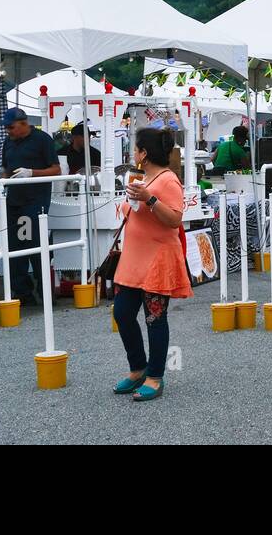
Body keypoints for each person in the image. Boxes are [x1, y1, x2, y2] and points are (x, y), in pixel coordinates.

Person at [111, 128, 193, 402]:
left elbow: (174, 219)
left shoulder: (168, 180)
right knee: (122, 313)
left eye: (135, 149)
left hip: (157, 258)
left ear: (144, 153)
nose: (133, 153)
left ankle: (155, 376)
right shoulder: (141, 176)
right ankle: (138, 368)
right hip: (134, 258)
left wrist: (149, 199)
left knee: (154, 318)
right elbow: (134, 210)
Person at [0, 107, 61, 305]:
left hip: (35, 201)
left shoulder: (42, 139)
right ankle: (22, 293)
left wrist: (32, 173)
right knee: (15, 247)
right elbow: (5, 168)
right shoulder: (8, 142)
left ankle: (45, 293)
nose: (8, 131)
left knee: (36, 245)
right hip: (14, 202)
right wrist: (1, 183)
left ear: (24, 123)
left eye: (11, 127)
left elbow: (56, 170)